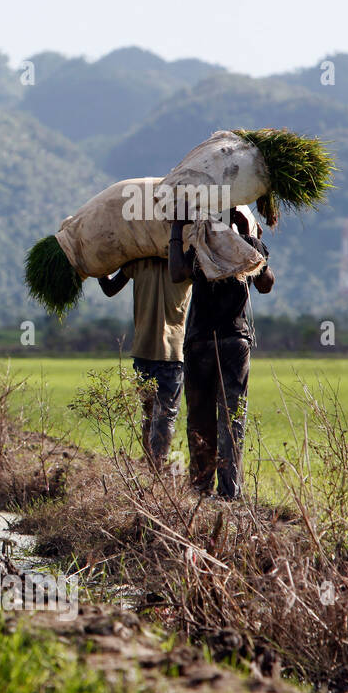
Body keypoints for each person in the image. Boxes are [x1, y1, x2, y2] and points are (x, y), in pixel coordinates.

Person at [169, 207, 274, 499]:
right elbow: (266, 284)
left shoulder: (203, 245)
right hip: (233, 342)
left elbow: (177, 273)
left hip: (202, 341)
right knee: (231, 418)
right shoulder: (247, 246)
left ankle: (202, 489)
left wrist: (176, 230)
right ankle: (229, 493)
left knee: (200, 418)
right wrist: (251, 237)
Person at [96, 256, 191, 468]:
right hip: (170, 353)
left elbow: (110, 288)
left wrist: (98, 264)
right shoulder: (183, 262)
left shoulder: (139, 261)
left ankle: (153, 466)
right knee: (163, 415)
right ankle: (156, 467)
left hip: (148, 351)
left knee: (150, 415)